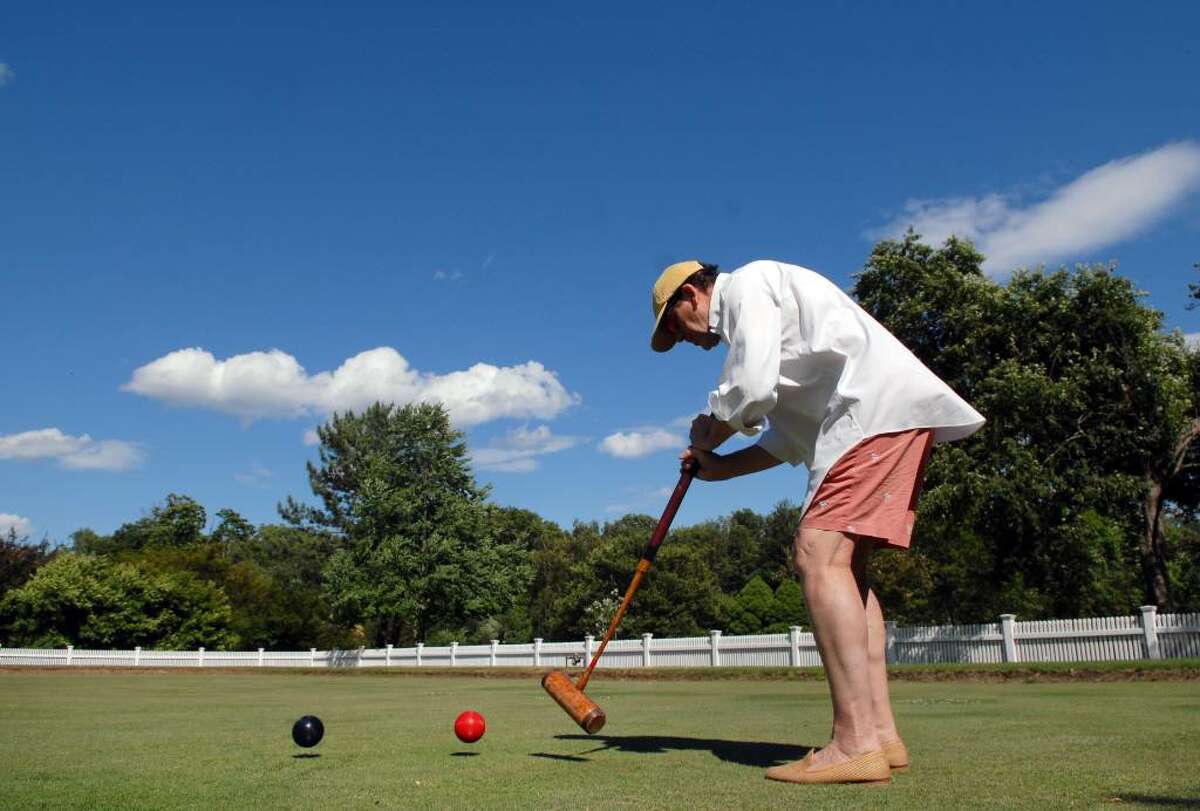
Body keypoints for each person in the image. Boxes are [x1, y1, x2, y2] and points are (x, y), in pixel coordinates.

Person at [650, 259, 985, 786]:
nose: (684, 341)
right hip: (886, 417)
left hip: (872, 415)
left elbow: (751, 390)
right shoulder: (766, 336)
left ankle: (853, 744)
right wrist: (723, 468)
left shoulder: (750, 286)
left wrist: (711, 429)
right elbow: (790, 439)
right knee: (848, 570)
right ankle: (880, 737)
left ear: (692, 294)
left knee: (817, 553)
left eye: (674, 326)